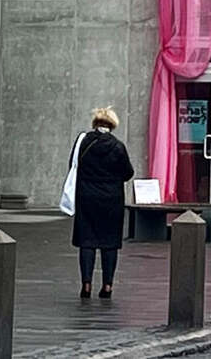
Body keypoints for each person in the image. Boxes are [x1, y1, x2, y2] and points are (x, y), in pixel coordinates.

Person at [70, 106, 134, 300]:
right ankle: (107, 285)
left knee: (87, 241)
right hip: (111, 200)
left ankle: (86, 284)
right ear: (112, 125)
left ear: (95, 123)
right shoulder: (118, 146)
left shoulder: (83, 143)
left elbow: (73, 166)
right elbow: (128, 173)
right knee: (109, 243)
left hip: (86, 197)